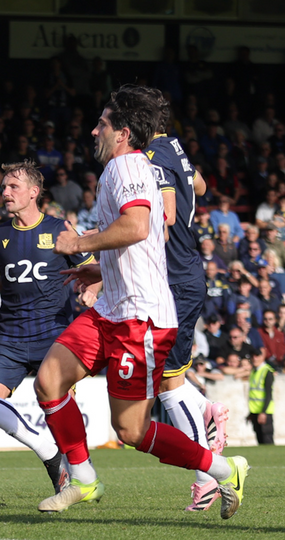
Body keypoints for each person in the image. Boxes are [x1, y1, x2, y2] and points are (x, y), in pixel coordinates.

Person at [36, 86, 249, 519]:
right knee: (49, 381)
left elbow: (136, 226)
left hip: (141, 318)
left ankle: (224, 470)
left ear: (123, 133)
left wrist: (79, 242)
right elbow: (152, 233)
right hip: (112, 306)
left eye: (103, 123)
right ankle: (83, 479)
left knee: (130, 430)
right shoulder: (133, 166)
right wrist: (101, 268)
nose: (95, 129)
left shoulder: (127, 168)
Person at [0, 159, 97, 500]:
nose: (5, 193)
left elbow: (90, 270)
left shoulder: (59, 229)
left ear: (34, 192)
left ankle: (73, 468)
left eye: (14, 187)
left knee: (59, 403)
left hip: (54, 335)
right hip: (9, 337)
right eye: (4, 187)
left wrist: (92, 289)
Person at [148, 97, 231, 511]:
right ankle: (209, 409)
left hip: (174, 279)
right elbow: (198, 186)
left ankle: (207, 476)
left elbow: (163, 217)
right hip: (187, 273)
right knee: (167, 376)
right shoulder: (174, 148)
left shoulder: (151, 157)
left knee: (166, 381)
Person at [247, 348, 275, 444]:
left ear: (262, 357)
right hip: (255, 411)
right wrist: (251, 413)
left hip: (264, 411)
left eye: (257, 356)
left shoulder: (266, 371)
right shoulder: (254, 371)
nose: (255, 358)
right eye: (253, 356)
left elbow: (268, 394)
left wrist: (263, 412)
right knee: (260, 440)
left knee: (267, 439)